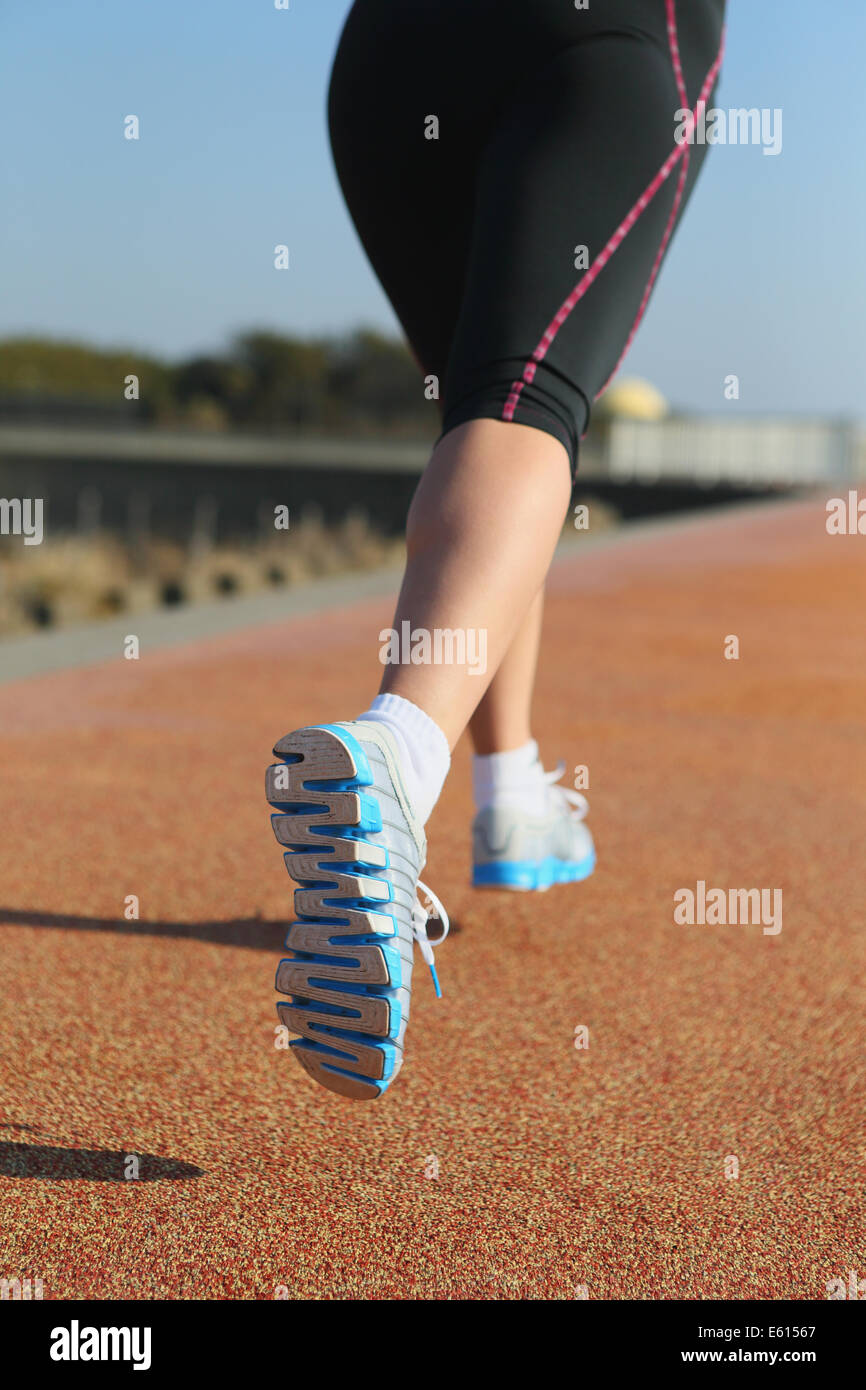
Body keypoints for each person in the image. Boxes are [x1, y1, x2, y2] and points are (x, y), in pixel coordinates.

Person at [266, 0, 727, 1099]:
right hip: (603, 31)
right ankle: (397, 754)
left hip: (391, 55)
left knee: (487, 405)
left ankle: (509, 787)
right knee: (526, 403)